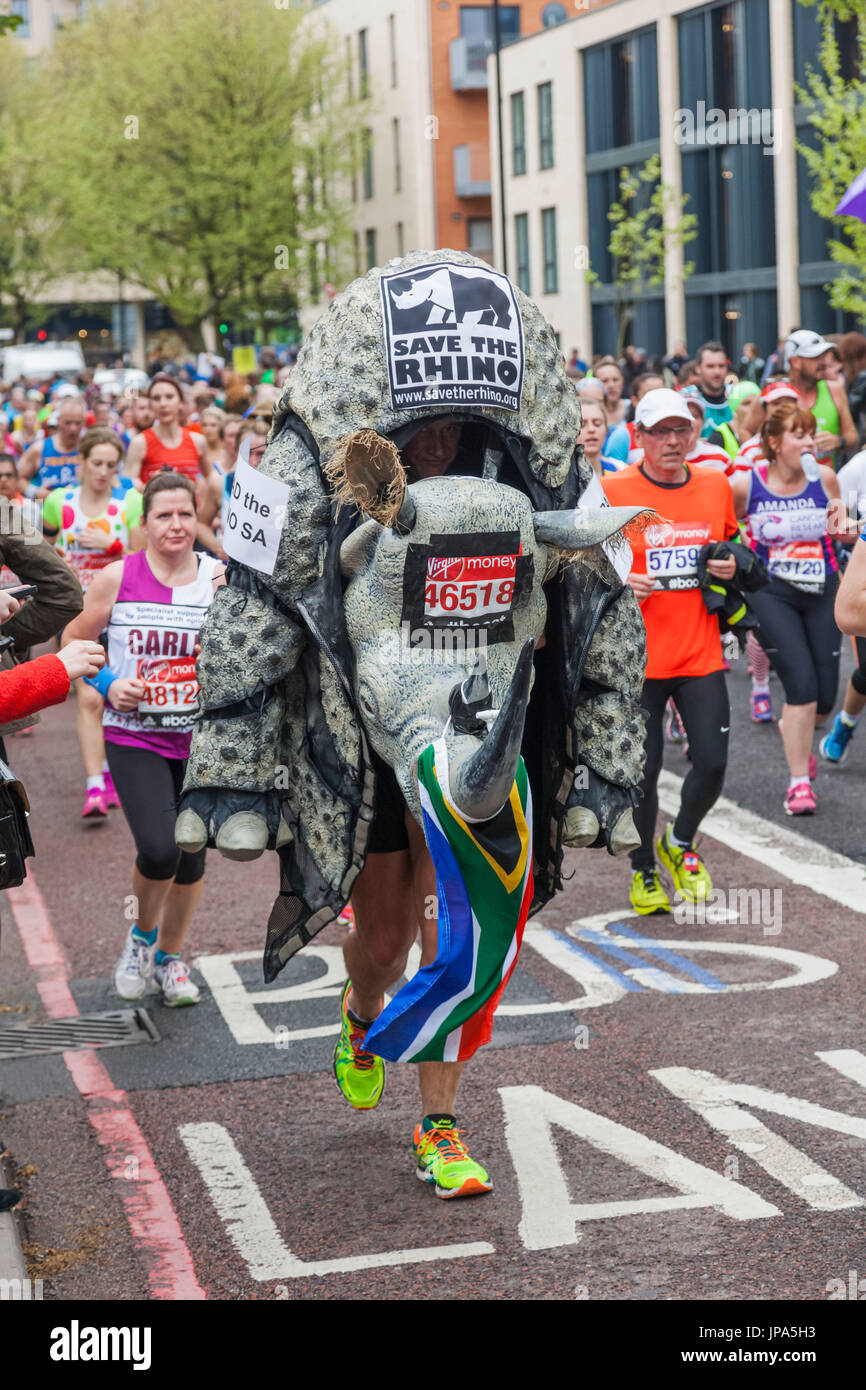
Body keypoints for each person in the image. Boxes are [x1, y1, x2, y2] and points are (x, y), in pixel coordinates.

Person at [62, 473, 224, 1006]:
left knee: (193, 854)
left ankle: (172, 961)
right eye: (163, 516)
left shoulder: (218, 579)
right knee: (159, 851)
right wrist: (109, 683)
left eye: (184, 514)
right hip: (135, 737)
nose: (175, 525)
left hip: (201, 739)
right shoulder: (117, 578)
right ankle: (141, 938)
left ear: (196, 518)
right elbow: (72, 641)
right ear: (143, 523)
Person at [603, 388, 740, 913]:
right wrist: (618, 582)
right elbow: (583, 566)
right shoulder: (613, 490)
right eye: (660, 431)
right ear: (638, 436)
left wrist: (727, 565)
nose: (673, 441)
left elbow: (726, 547)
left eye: (681, 430)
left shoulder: (714, 484)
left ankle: (679, 843)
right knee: (643, 774)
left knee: (712, 761)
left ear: (693, 433)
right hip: (635, 660)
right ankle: (643, 871)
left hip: (698, 652)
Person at [731, 405, 846, 814]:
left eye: (811, 434)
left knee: (825, 697)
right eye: (799, 435)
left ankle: (796, 732)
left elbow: (841, 531)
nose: (809, 443)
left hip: (822, 588)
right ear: (775, 444)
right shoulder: (750, 483)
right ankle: (799, 783)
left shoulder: (826, 478)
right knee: (800, 684)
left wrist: (847, 523)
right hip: (771, 591)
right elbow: (725, 524)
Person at [42, 427, 144, 818]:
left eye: (111, 465)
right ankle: (95, 786)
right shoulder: (57, 501)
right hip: (74, 613)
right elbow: (45, 548)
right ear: (82, 462)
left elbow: (141, 555)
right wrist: (58, 564)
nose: (103, 472)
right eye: (96, 463)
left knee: (116, 697)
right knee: (88, 695)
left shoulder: (130, 501)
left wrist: (113, 547)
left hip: (121, 613)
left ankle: (110, 769)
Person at [784, 329, 857, 466]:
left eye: (824, 356)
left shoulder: (834, 390)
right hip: (788, 486)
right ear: (795, 362)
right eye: (815, 357)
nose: (824, 362)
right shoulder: (779, 396)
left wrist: (838, 441)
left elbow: (853, 438)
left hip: (827, 484)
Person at [125, 375, 211, 488]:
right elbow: (127, 487)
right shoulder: (140, 443)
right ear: (150, 404)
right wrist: (152, 485)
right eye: (156, 398)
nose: (163, 404)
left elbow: (211, 479)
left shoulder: (198, 441)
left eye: (169, 397)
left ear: (180, 402)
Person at [17, 395, 86, 500]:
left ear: (84, 423)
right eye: (68, 422)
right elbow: (18, 479)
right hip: (48, 513)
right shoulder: (39, 448)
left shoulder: (89, 449)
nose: (73, 428)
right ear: (58, 421)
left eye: (78, 423)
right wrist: (36, 492)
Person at [693, 342, 733, 437]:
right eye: (710, 366)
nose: (717, 372)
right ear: (698, 368)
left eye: (721, 366)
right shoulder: (687, 397)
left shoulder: (737, 395)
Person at [578, 398, 621, 477]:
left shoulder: (619, 471)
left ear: (606, 430)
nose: (591, 429)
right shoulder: (557, 479)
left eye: (597, 424)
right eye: (582, 425)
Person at [595, 357, 628, 427]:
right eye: (605, 381)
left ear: (622, 381)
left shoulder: (634, 408)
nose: (611, 385)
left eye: (615, 380)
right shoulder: (590, 412)